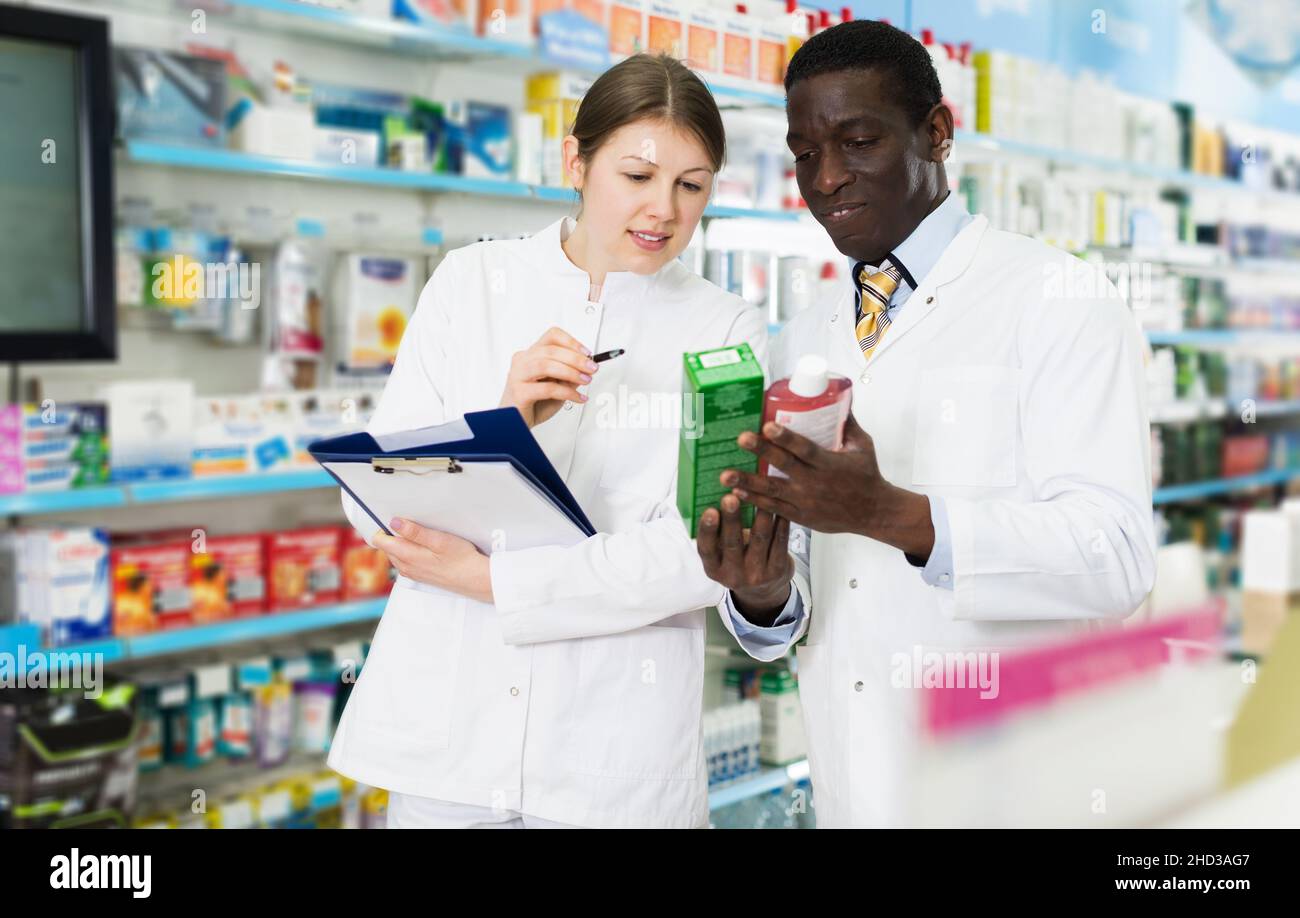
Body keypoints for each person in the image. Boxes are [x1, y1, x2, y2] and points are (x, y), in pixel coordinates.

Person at [698, 20, 1157, 827]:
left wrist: (891, 515)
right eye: (805, 153)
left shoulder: (1059, 300)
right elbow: (804, 598)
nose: (828, 178)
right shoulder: (803, 334)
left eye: (859, 141)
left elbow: (1115, 557)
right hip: (852, 786)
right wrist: (764, 592)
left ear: (937, 132)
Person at [326, 54, 766, 828]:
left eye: (691, 185)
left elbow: (701, 553)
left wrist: (497, 581)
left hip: (614, 759)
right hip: (449, 748)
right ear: (575, 162)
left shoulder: (725, 328)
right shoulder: (471, 283)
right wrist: (502, 427)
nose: (662, 209)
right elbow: (375, 508)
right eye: (637, 175)